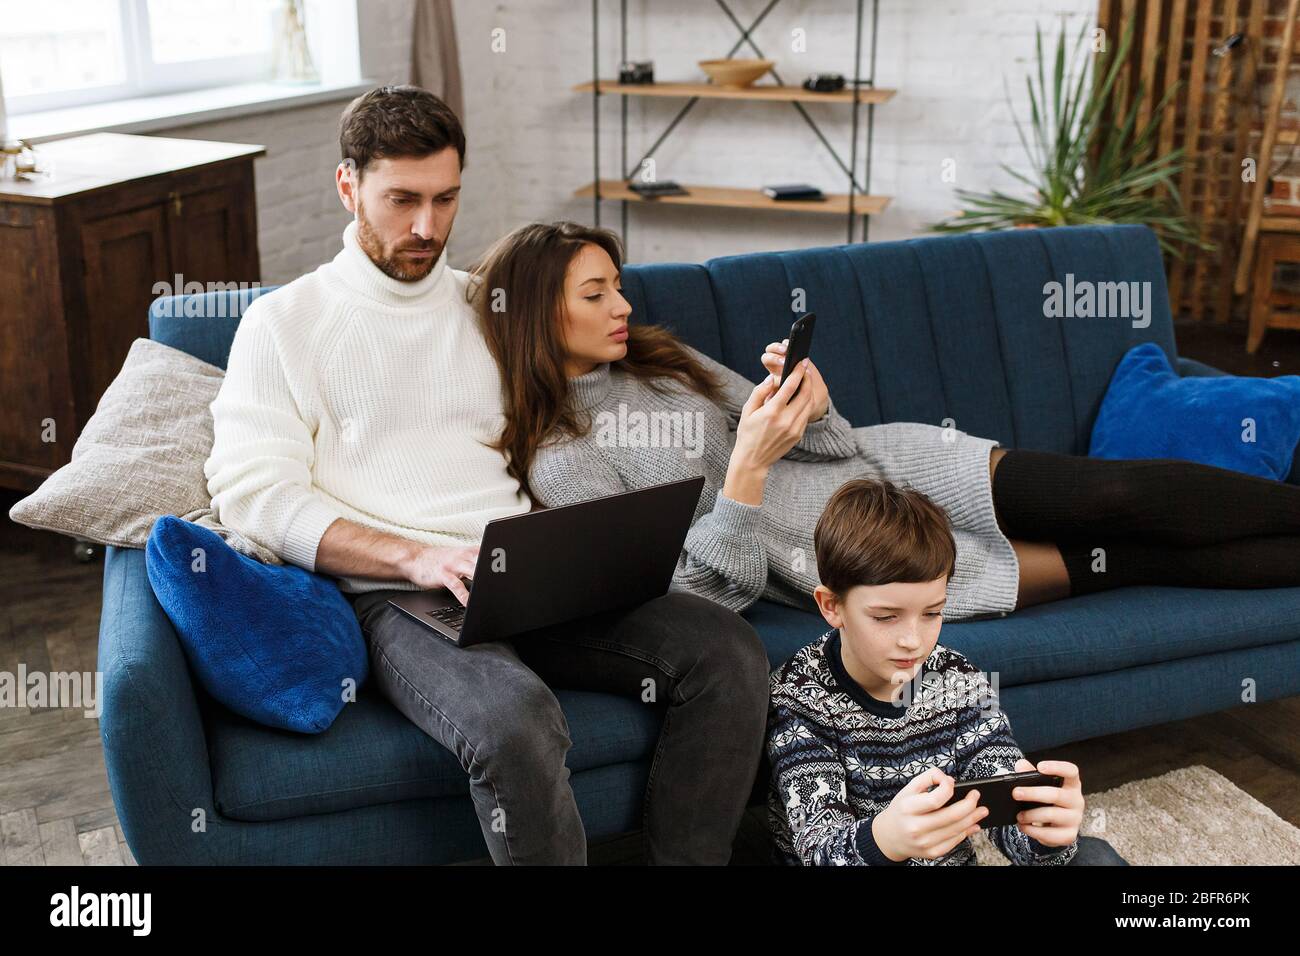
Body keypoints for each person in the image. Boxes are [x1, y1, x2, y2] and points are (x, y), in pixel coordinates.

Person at [204, 86, 770, 865]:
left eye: (446, 199)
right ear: (348, 186)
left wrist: (750, 407)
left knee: (726, 650)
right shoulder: (283, 325)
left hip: (529, 567)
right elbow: (253, 496)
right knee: (514, 720)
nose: (427, 228)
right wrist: (416, 557)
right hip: (404, 596)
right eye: (402, 200)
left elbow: (599, 378)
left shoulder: (488, 306)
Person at [472, 219, 1300, 621]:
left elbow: (831, 446)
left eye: (618, 283)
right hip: (854, 550)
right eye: (596, 294)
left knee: (1116, 494)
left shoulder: (662, 358)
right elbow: (695, 590)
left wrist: (813, 406)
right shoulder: (562, 459)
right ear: (537, 316)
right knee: (1135, 557)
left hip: (898, 462)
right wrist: (748, 472)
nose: (622, 304)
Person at [766, 478, 1128, 865]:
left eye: (932, 613)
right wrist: (884, 840)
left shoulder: (958, 679)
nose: (913, 641)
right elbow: (818, 847)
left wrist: (1044, 830)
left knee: (1093, 857)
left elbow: (1008, 807)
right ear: (831, 606)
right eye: (886, 617)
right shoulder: (798, 695)